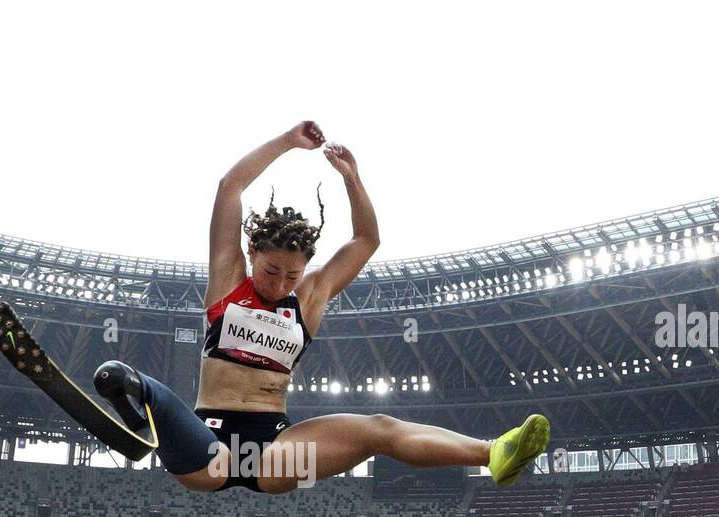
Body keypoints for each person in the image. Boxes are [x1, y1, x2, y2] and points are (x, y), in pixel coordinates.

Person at [92, 120, 549, 495]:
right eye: (271, 271)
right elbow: (230, 186)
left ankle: (495, 453)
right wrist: (288, 142)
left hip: (273, 453)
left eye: (291, 275)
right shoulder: (228, 282)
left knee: (380, 427)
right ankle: (135, 397)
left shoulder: (307, 298)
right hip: (207, 445)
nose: (279, 283)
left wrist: (352, 179)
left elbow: (366, 240)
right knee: (129, 378)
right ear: (252, 253)